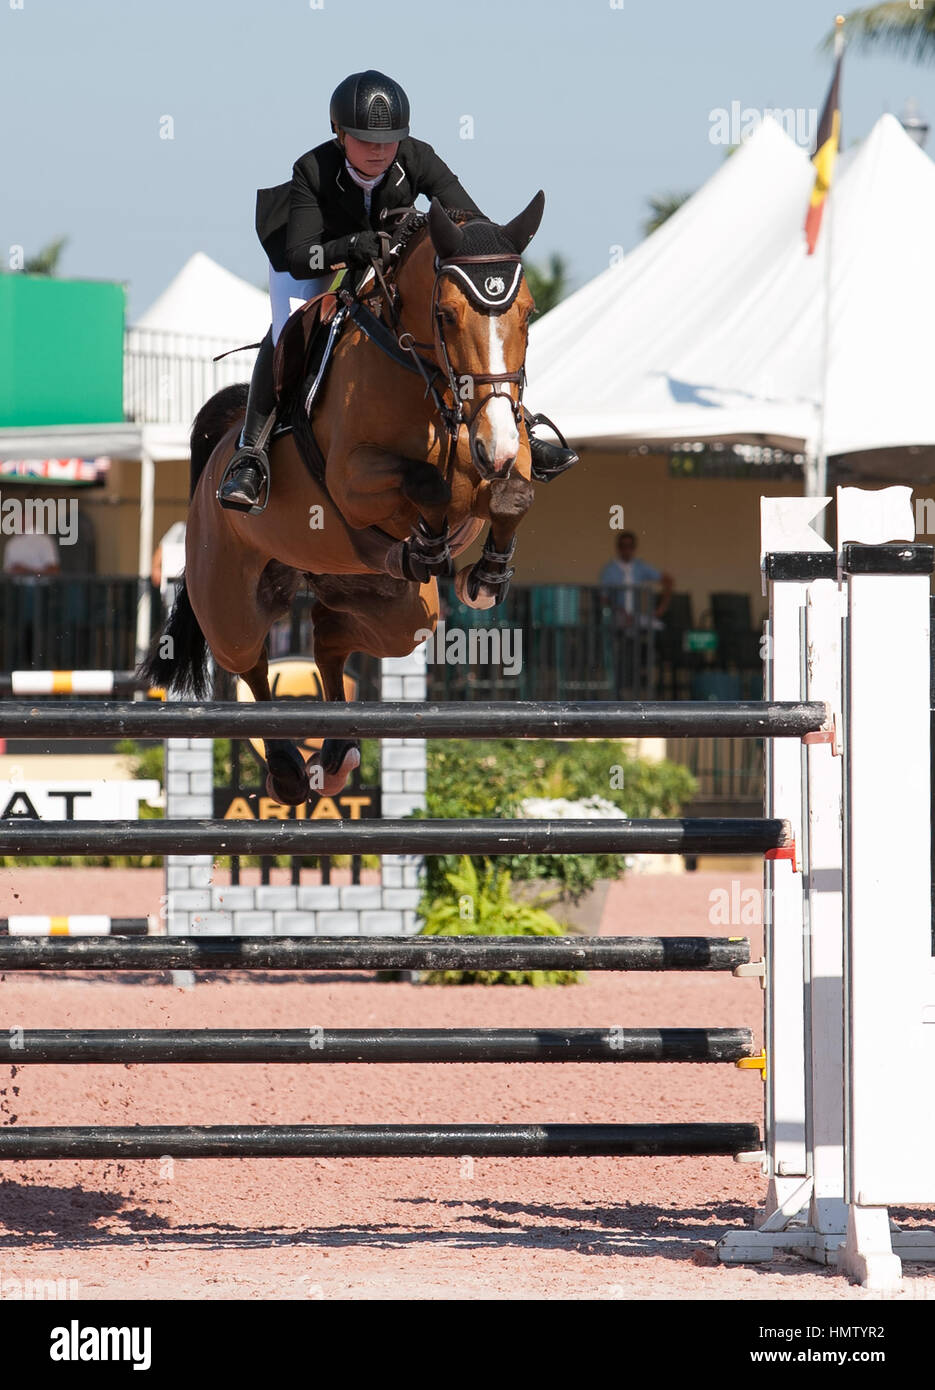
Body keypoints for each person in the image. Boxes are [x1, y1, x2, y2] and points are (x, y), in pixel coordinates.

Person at [219, 69, 578, 512]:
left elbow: (468, 217)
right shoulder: (312, 169)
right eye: (366, 140)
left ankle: (520, 428)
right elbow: (301, 256)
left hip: (385, 255)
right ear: (339, 133)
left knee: (473, 328)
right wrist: (352, 245)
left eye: (388, 141)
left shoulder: (417, 156)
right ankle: (250, 455)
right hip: (317, 256)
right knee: (289, 329)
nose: (379, 151)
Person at [599, 530, 673, 630]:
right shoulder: (609, 570)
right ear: (618, 548)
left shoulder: (639, 566)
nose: (627, 549)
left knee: (659, 627)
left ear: (634, 548)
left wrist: (661, 608)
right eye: (623, 546)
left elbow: (668, 580)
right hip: (616, 615)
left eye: (630, 546)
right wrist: (620, 611)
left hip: (637, 615)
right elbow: (604, 598)